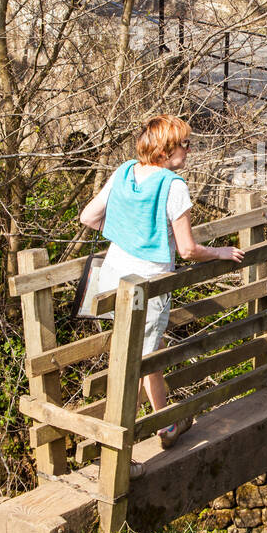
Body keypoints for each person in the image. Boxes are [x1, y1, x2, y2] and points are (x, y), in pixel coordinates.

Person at [79, 115, 244, 453]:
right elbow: (187, 249)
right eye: (185, 143)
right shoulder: (173, 185)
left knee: (139, 355)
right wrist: (221, 251)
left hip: (112, 279)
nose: (189, 149)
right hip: (147, 287)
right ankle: (128, 434)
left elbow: (88, 217)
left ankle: (164, 422)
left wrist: (129, 232)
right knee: (144, 359)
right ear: (167, 149)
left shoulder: (124, 171)